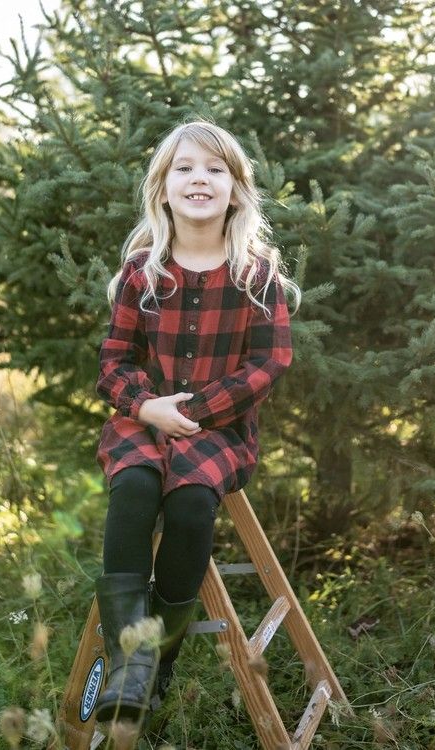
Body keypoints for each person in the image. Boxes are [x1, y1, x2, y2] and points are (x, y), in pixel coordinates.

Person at [92, 118, 301, 732]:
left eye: (214, 169)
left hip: (220, 430)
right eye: (184, 168)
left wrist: (196, 412)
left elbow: (271, 361)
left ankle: (155, 663)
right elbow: (112, 364)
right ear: (163, 188)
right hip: (145, 421)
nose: (199, 180)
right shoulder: (142, 272)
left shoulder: (256, 275)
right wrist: (148, 406)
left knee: (188, 508)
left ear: (236, 189)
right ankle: (126, 663)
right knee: (132, 490)